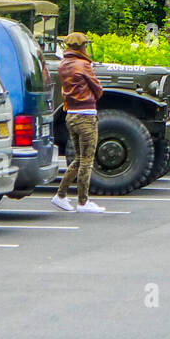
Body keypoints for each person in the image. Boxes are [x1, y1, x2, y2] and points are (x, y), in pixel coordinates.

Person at [52, 32, 106, 213]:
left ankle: (60, 195)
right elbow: (98, 90)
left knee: (78, 159)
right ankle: (83, 202)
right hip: (86, 115)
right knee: (87, 161)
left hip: (71, 115)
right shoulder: (83, 65)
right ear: (82, 47)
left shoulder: (63, 65)